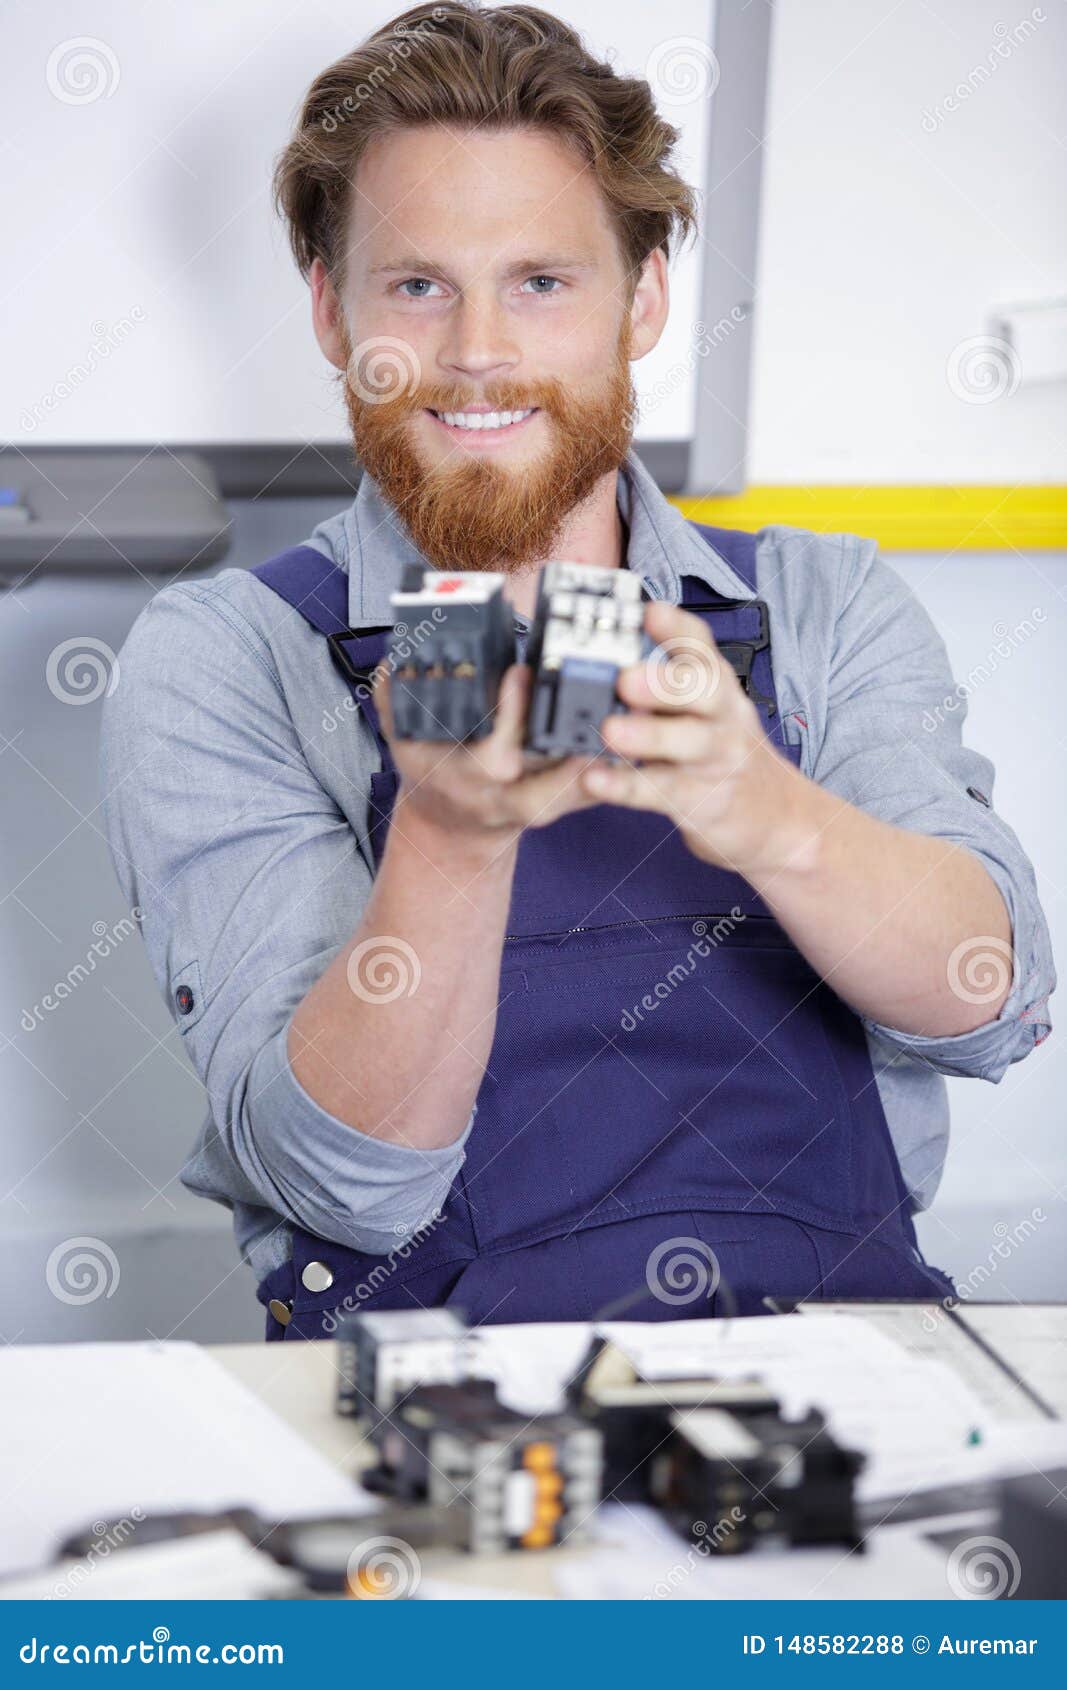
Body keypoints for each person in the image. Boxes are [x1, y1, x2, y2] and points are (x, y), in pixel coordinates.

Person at [100, 3, 1053, 1338]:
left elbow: (990, 1003)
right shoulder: (229, 661)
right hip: (440, 1432)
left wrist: (774, 817)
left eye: (542, 281)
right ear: (331, 307)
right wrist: (448, 837)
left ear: (644, 295)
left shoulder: (819, 603)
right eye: (417, 284)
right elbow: (343, 1180)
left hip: (841, 1384)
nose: (479, 349)